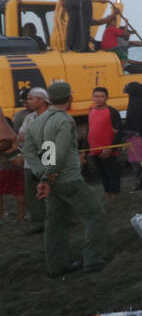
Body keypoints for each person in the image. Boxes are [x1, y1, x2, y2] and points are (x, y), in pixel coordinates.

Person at [22, 82, 109, 275]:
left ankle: (57, 265)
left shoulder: (35, 121)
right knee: (94, 214)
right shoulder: (65, 120)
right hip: (67, 178)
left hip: (50, 180)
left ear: (50, 99)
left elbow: (28, 152)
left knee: (55, 222)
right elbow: (59, 152)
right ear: (70, 98)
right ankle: (93, 260)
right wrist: (47, 176)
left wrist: (41, 175)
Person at [86, 87, 123, 199]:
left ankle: (115, 193)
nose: (99, 99)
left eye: (102, 96)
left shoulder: (112, 111)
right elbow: (89, 131)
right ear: (92, 97)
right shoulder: (91, 110)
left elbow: (119, 131)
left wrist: (110, 148)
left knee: (112, 172)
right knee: (102, 173)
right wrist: (84, 151)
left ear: (106, 97)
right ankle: (107, 192)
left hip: (108, 150)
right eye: (96, 96)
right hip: (94, 149)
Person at [16, 91, 45, 234]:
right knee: (32, 193)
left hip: (47, 161)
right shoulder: (28, 118)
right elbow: (21, 136)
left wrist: (30, 136)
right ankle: (38, 223)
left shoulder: (52, 117)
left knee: (54, 191)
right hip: (30, 162)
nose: (27, 102)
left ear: (42, 100)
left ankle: (60, 220)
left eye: (31, 99)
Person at [0, 113, 23, 221]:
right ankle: (21, 217)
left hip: (2, 170)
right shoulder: (13, 136)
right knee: (19, 193)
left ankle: (1, 218)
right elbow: (19, 154)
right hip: (16, 169)